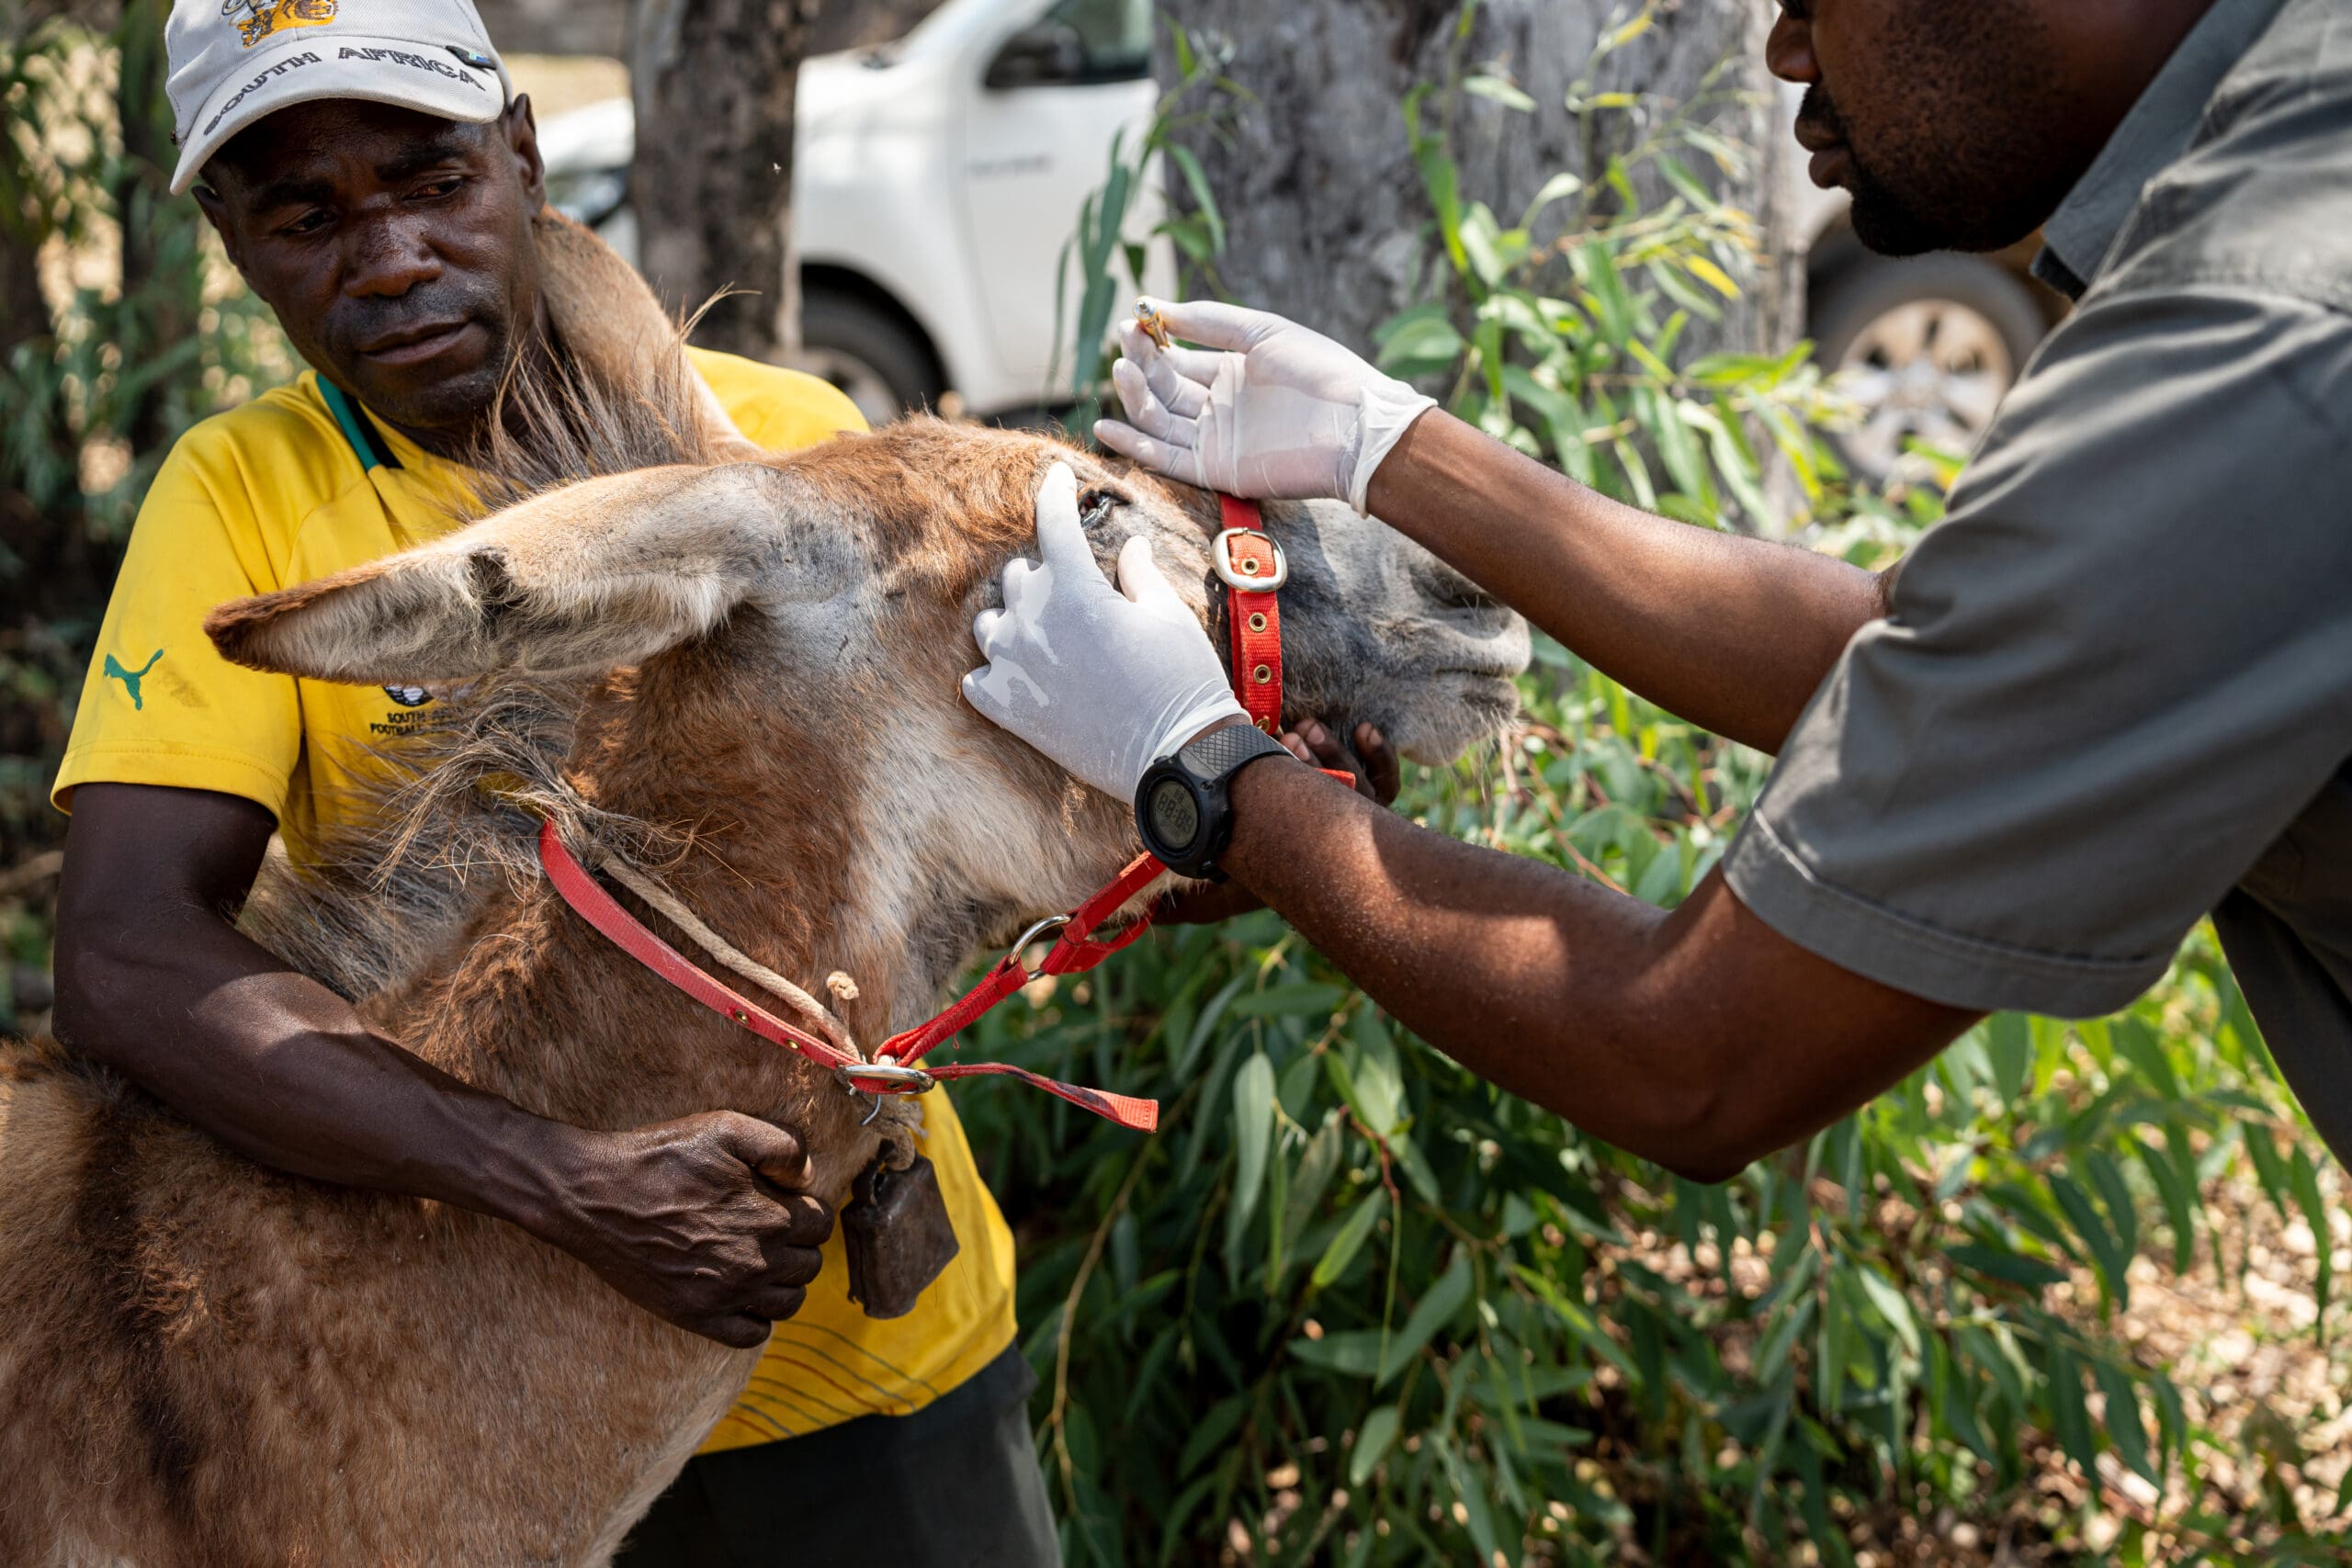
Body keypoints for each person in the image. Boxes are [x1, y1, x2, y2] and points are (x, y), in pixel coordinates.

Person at [964, 0, 2352, 1175]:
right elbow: (1938, 653)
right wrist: (1391, 447)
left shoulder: (2269, 302)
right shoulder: (2290, 146)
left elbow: (1695, 1054)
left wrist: (1202, 774)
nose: (1781, 53)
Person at [50, 0, 1055, 1561]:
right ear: (231, 247)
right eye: (306, 216)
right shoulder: (240, 497)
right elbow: (122, 954)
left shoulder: (793, 461)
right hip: (491, 1390)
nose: (384, 259)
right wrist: (560, 1184)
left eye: (429, 181)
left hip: (863, 1382)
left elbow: (1016, 831)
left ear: (521, 156)